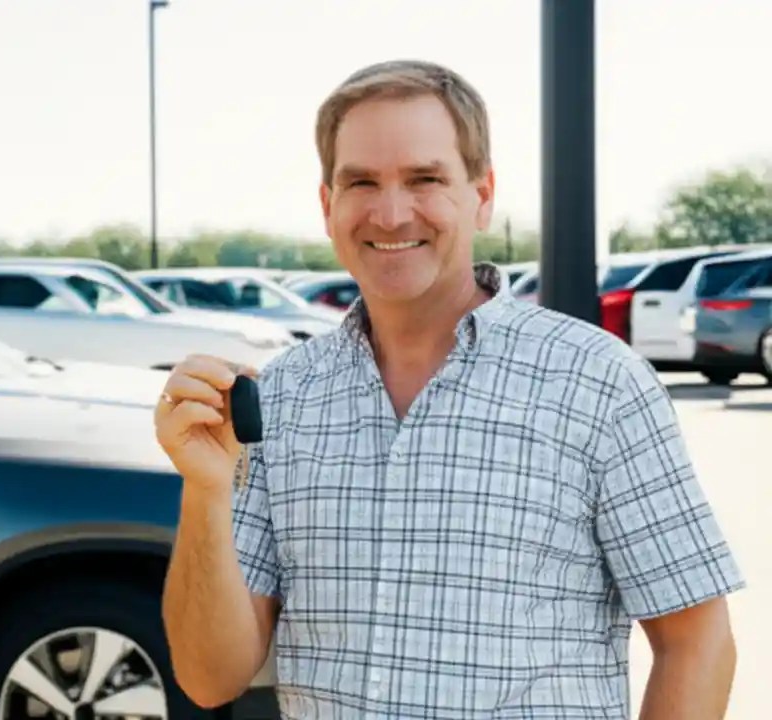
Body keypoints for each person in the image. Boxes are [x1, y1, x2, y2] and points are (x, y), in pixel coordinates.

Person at [156, 59, 744, 718]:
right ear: (328, 205)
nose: (391, 210)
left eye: (425, 179)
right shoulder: (283, 397)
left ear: (482, 194)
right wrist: (204, 491)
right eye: (361, 182)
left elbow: (697, 641)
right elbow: (211, 679)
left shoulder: (596, 381)